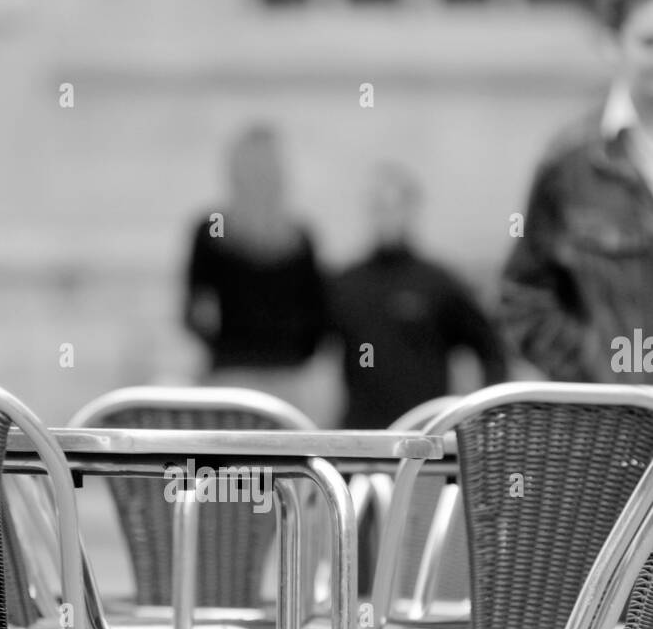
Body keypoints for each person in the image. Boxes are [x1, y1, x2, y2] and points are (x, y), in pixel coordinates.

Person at [501, 0, 653, 629]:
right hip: (618, 430)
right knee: (616, 612)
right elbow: (522, 296)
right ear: (615, 47)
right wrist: (590, 367)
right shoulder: (571, 165)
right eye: (649, 41)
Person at [331, 162, 507, 431]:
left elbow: (490, 348)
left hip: (426, 437)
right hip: (361, 436)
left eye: (396, 206)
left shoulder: (438, 283)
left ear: (411, 209)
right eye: (380, 206)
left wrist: (489, 418)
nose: (388, 216)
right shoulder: (345, 284)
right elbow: (304, 345)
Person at [183, 124, 330, 419]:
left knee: (230, 466)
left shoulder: (212, 229)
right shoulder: (299, 237)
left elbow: (196, 314)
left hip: (231, 376)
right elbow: (316, 322)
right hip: (287, 379)